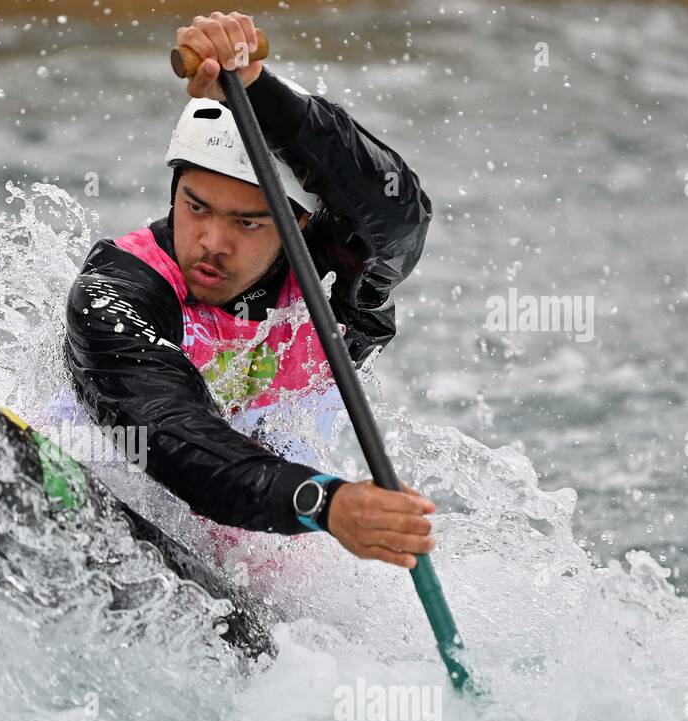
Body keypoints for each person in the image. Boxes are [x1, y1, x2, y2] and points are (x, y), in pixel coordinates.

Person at [64, 11, 438, 570]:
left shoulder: (336, 284)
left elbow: (399, 213)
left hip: (278, 532)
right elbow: (166, 431)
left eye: (248, 223)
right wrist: (327, 503)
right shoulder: (117, 291)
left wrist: (262, 88)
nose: (212, 242)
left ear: (301, 224)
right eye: (196, 207)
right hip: (121, 485)